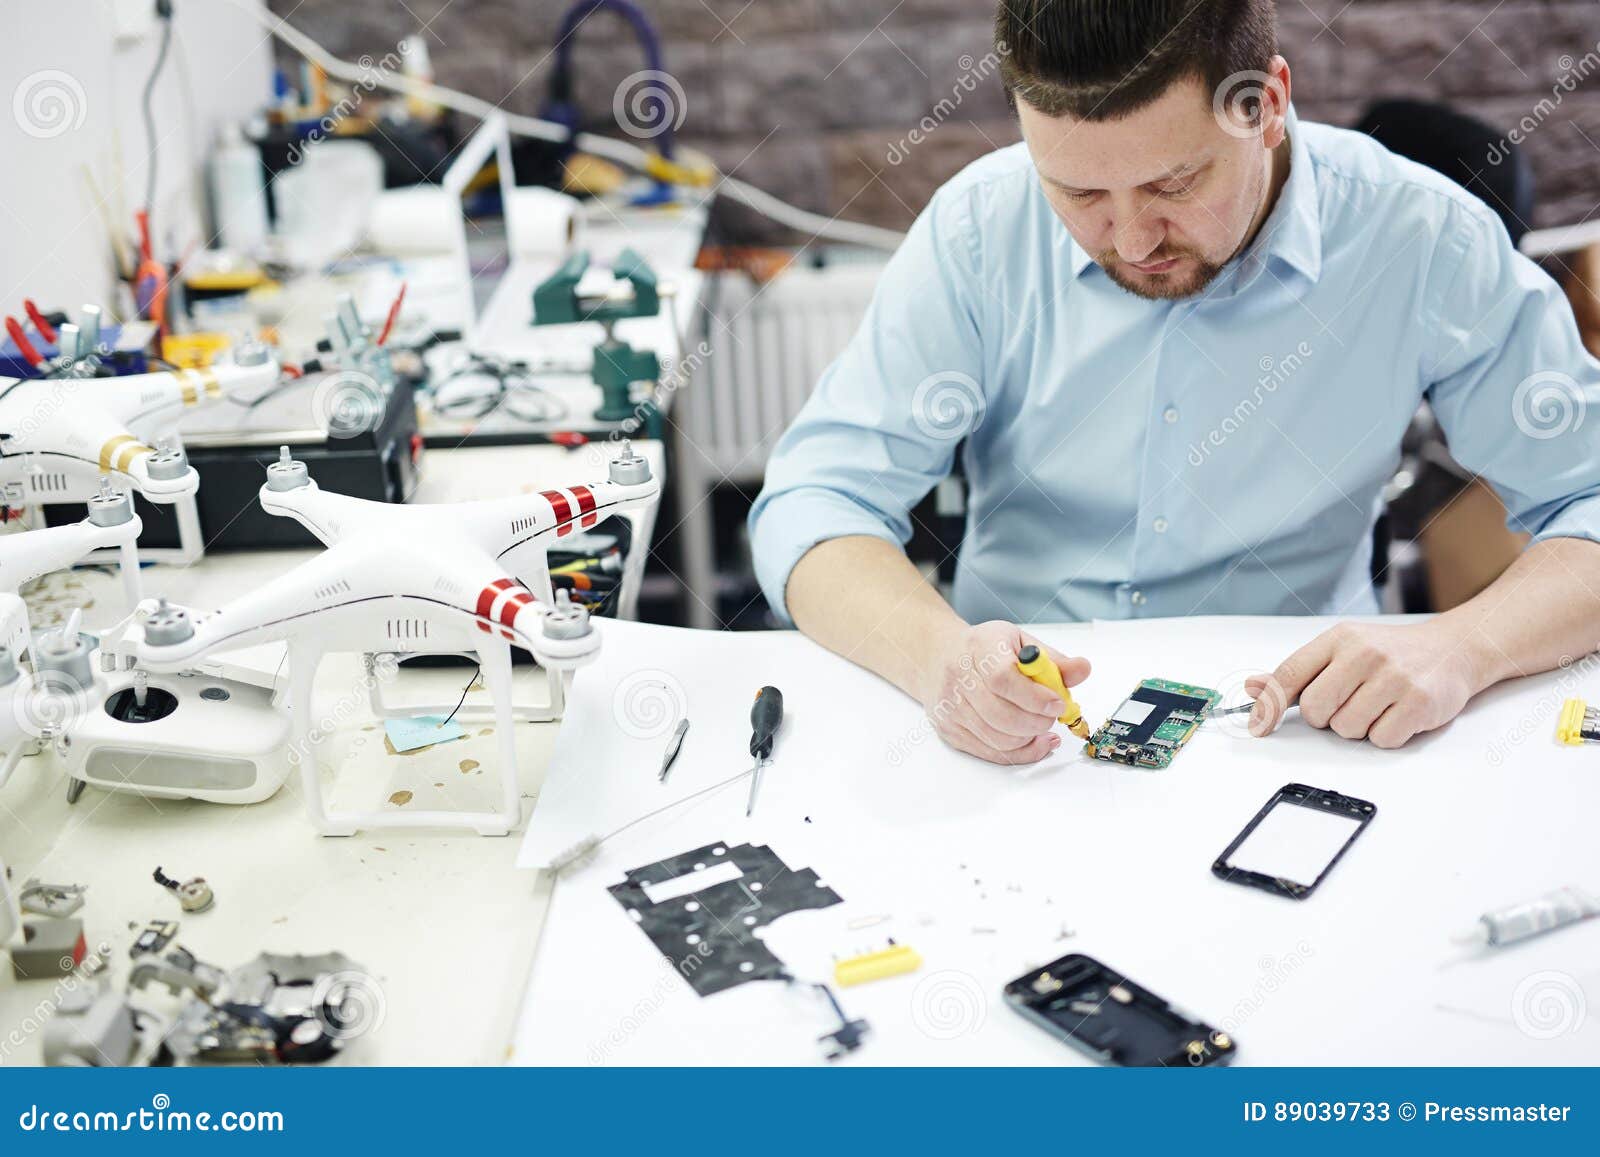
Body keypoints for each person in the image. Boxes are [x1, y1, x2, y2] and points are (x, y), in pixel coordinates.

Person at [747, 0, 1600, 763]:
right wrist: (938, 660)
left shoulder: (1423, 238)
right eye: (1078, 191)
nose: (1130, 239)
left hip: (1305, 731)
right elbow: (816, 501)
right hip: (1023, 742)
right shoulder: (979, 230)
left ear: (1266, 105)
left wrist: (1463, 644)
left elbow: (1588, 497)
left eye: (1173, 184)